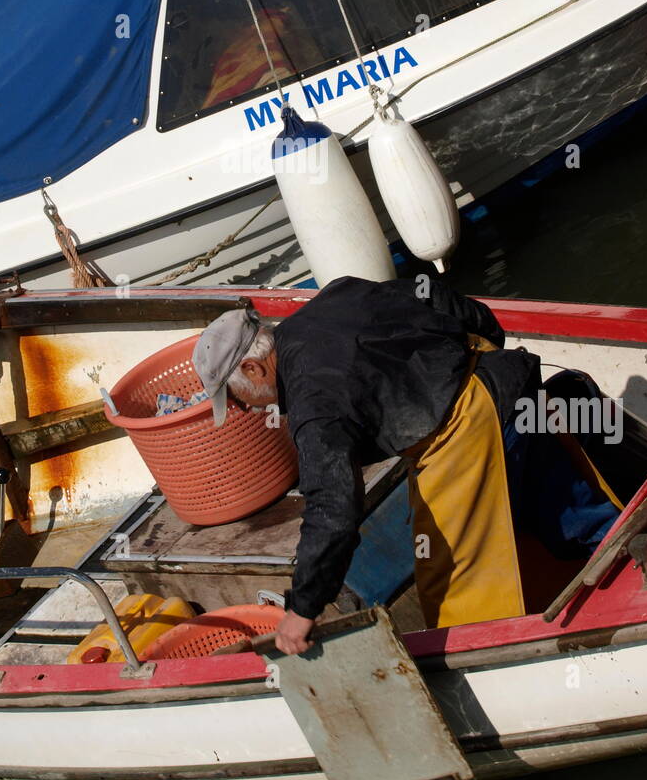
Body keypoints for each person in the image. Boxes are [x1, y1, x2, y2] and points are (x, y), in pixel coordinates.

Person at [193, 275, 621, 655]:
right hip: (508, 387)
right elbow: (429, 289)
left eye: (234, 398)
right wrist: (490, 340)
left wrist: (303, 608)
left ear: (252, 367)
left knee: (450, 581)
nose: (244, 410)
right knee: (571, 515)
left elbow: (334, 510)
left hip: (463, 430)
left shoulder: (313, 402)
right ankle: (640, 569)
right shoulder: (337, 294)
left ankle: (484, 668)